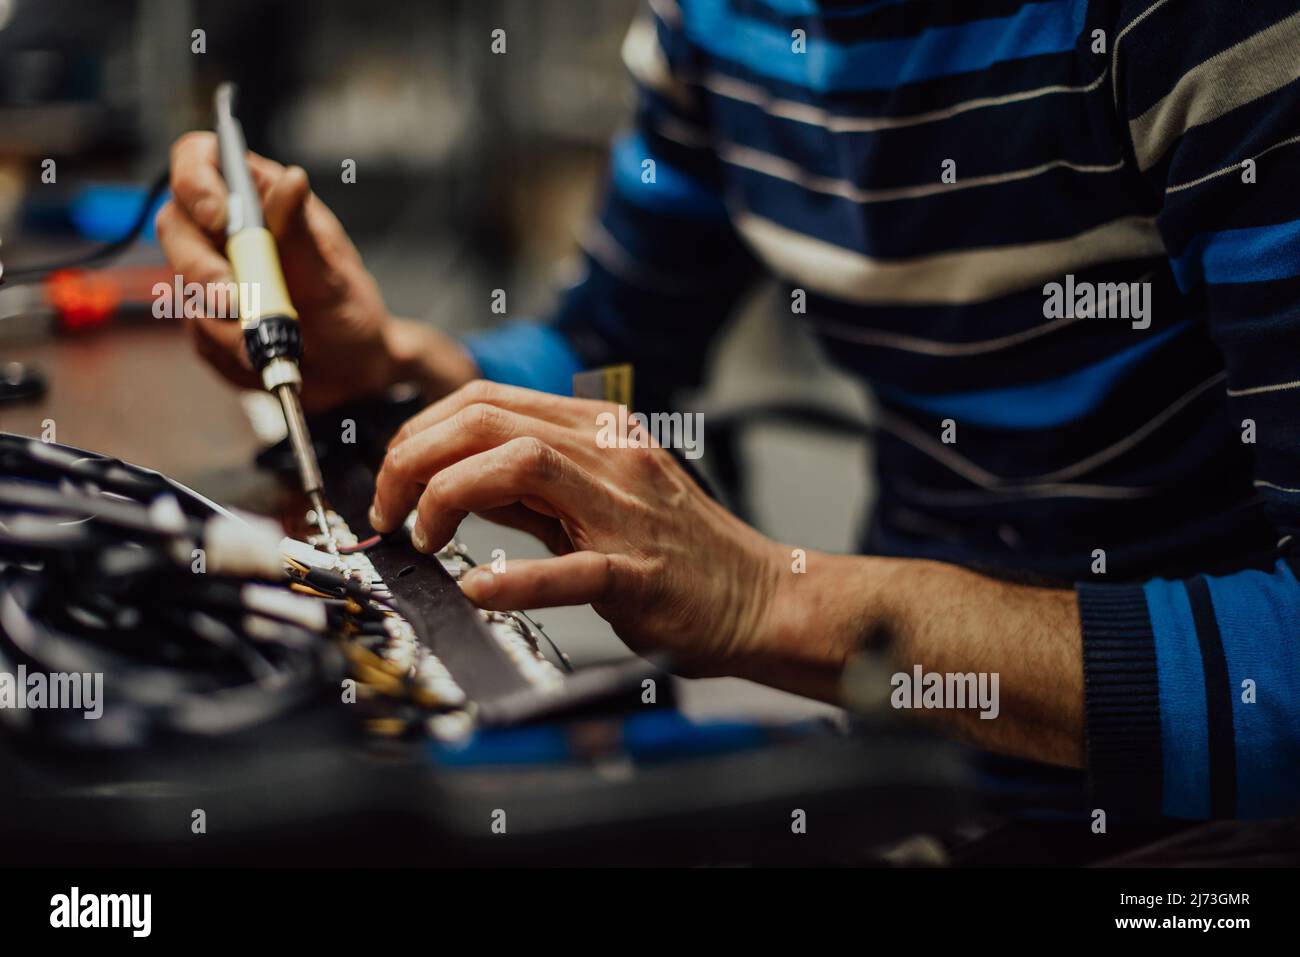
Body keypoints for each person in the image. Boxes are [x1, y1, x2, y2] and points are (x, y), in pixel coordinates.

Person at [158, 0, 1300, 822]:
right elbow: (616, 358)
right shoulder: (719, 22)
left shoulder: (1212, 32)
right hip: (913, 766)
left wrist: (774, 600)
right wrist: (390, 358)